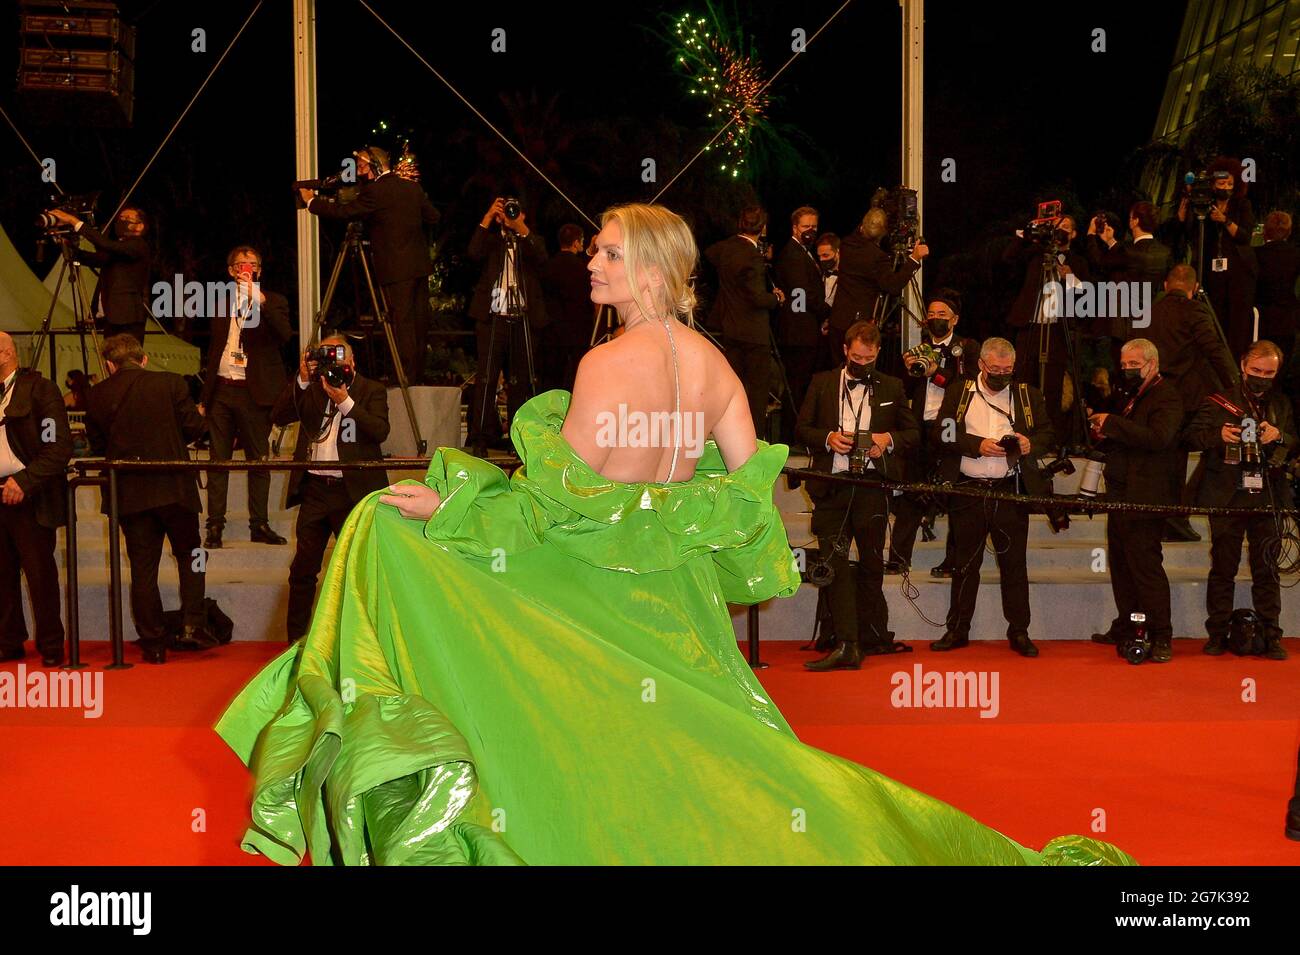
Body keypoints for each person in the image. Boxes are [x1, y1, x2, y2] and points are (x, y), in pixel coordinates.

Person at [215, 202, 1128, 866]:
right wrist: (668, 508)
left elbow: (550, 506)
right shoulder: (717, 367)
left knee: (393, 545)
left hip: (591, 596)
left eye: (608, 253)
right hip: (681, 604)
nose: (591, 263)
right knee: (720, 768)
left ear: (649, 268)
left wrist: (448, 502)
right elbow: (749, 509)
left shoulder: (606, 363)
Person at [797, 320, 917, 670]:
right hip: (831, 486)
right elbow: (801, 427)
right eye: (856, 356)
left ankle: (871, 635)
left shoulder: (893, 386)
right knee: (833, 563)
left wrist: (886, 440)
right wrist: (828, 438)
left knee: (870, 563)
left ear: (878, 352)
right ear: (845, 350)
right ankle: (846, 643)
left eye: (869, 357)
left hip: (870, 488)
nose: (862, 362)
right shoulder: (822, 382)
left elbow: (913, 433)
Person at [84, 334, 209, 663]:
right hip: (175, 490)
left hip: (130, 494)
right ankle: (192, 625)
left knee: (142, 569)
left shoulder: (97, 395)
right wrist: (199, 412)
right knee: (192, 556)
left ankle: (153, 643)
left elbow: (98, 448)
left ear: (110, 365)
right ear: (143, 359)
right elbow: (195, 428)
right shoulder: (170, 384)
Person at [929, 338, 1054, 657]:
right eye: (995, 369)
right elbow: (941, 434)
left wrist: (1029, 444)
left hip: (1009, 490)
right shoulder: (959, 392)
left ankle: (1020, 631)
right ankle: (957, 629)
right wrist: (976, 445)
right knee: (964, 564)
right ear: (981, 365)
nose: (1001, 375)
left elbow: (1048, 434)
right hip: (968, 488)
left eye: (1007, 370)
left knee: (1014, 564)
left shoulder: (1027, 395)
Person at [272, 336, 390, 644]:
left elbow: (380, 431)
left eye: (336, 358)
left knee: (358, 570)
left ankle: (360, 643)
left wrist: (345, 402)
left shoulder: (370, 390)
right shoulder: (313, 387)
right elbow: (279, 416)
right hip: (315, 490)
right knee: (302, 570)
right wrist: (301, 378)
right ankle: (296, 643)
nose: (330, 364)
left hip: (352, 492)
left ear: (351, 362)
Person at [1185, 340, 1296, 660]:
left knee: (1268, 568)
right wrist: (1218, 436)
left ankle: (1271, 632)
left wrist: (1279, 436)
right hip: (1226, 493)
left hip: (1268, 494)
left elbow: (1294, 442)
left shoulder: (1281, 403)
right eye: (1256, 371)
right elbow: (1190, 436)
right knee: (1223, 566)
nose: (1261, 377)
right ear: (1243, 366)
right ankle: (1218, 632)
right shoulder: (1219, 401)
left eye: (1269, 373)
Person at [300, 146, 441, 385]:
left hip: (394, 269)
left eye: (364, 167)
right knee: (419, 322)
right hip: (419, 266)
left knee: (402, 325)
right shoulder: (412, 187)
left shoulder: (376, 192)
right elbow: (433, 217)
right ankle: (417, 376)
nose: (361, 173)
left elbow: (344, 211)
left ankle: (404, 379)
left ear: (375, 165)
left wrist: (311, 202)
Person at [1087, 339, 1183, 662]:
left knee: (1146, 568)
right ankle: (1128, 624)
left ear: (1152, 365)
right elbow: (1128, 435)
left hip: (1147, 497)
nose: (1126, 370)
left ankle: (1162, 634)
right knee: (1122, 566)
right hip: (1120, 493)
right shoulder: (1129, 394)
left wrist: (1112, 424)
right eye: (1124, 365)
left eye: (1133, 365)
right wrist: (1104, 429)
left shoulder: (1166, 396)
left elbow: (1159, 438)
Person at [199, 245, 293, 549]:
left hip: (256, 392)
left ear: (259, 271)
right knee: (218, 462)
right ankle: (215, 525)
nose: (246, 268)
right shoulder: (220, 303)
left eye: (252, 264)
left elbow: (284, 336)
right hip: (223, 389)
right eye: (241, 264)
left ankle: (259, 524)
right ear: (231, 271)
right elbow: (214, 350)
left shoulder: (274, 301)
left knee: (258, 460)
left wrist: (260, 301)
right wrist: (205, 395)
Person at [889, 288, 981, 577]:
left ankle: (954, 560)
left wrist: (936, 374)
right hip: (920, 426)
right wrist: (909, 369)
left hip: (952, 428)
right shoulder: (919, 348)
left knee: (954, 496)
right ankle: (898, 557)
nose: (935, 319)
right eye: (930, 314)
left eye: (941, 314)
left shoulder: (967, 347)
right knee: (910, 493)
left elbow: (967, 385)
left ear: (954, 319)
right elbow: (904, 389)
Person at [1143, 264, 1237, 542]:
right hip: (1188, 397)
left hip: (1153, 396)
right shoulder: (1195, 310)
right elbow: (1214, 348)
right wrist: (1234, 385)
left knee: (1165, 459)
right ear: (1194, 289)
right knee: (1198, 451)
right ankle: (1177, 515)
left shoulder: (1147, 313)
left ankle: (1164, 517)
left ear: (1165, 285)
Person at [0, 332, 72, 667]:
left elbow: (58, 449)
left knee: (40, 573)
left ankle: (52, 645)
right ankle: (8, 641)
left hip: (30, 493)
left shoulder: (41, 389)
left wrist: (24, 481)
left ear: (6, 353)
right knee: (1, 575)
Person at [465, 196, 550, 455]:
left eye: (515, 212)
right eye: (506, 212)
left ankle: (517, 440)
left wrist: (519, 228)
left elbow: (543, 258)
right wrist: (489, 217)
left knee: (520, 383)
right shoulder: (492, 242)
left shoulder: (530, 242)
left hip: (523, 320)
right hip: (493, 320)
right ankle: (479, 438)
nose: (510, 216)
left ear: (523, 215)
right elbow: (472, 253)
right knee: (486, 379)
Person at [704, 205, 784, 434]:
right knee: (757, 394)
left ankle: (726, 434)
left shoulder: (725, 248)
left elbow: (709, 254)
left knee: (731, 388)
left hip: (730, 327)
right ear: (763, 228)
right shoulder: (752, 257)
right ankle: (753, 439)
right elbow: (757, 299)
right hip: (754, 333)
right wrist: (776, 298)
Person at [1172, 157, 1257, 358]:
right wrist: (1183, 215)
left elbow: (1245, 236)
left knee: (1236, 320)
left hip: (1238, 272)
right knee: (1211, 316)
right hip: (1211, 271)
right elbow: (1190, 236)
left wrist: (1225, 220)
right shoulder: (1203, 204)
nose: (1225, 187)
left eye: (1229, 183)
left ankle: (1234, 359)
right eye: (1221, 183)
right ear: (1212, 184)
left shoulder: (1242, 205)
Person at [49, 206, 152, 343]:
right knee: (110, 360)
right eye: (120, 218)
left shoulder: (138, 246)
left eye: (127, 219)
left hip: (128, 319)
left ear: (139, 226)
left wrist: (73, 221)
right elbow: (89, 257)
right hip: (111, 319)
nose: (122, 221)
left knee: (128, 359)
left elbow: (105, 244)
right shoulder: (118, 250)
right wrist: (64, 243)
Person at [827, 208, 928, 345]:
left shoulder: (847, 244)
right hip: (857, 325)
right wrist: (914, 259)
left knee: (839, 364)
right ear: (883, 233)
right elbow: (893, 286)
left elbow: (860, 234)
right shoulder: (877, 257)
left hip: (838, 320)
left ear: (862, 226)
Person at [774, 206, 829, 441]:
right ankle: (793, 436)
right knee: (797, 386)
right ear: (795, 227)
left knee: (801, 385)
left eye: (814, 227)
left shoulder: (805, 252)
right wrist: (826, 312)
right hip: (798, 333)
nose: (810, 231)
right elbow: (802, 293)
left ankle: (796, 434)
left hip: (803, 331)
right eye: (806, 226)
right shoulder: (793, 254)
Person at [541, 223, 594, 392]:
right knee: (574, 379)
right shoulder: (582, 269)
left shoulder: (548, 266)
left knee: (552, 381)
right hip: (578, 332)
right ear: (577, 243)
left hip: (551, 332)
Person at [1256, 212, 1300, 373]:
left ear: (1265, 230)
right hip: (1286, 317)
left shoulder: (1256, 254)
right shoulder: (1296, 254)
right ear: (1288, 231)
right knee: (1282, 365)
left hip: (1261, 318)